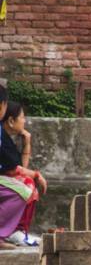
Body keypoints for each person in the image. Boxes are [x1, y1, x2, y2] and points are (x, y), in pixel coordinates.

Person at [0, 94, 47, 247]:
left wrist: (27, 143)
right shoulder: (2, 135)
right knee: (25, 187)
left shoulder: (5, 137)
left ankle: (19, 230)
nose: (24, 121)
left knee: (27, 182)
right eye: (22, 117)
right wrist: (36, 175)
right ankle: (10, 231)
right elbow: (14, 170)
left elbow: (20, 168)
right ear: (11, 121)